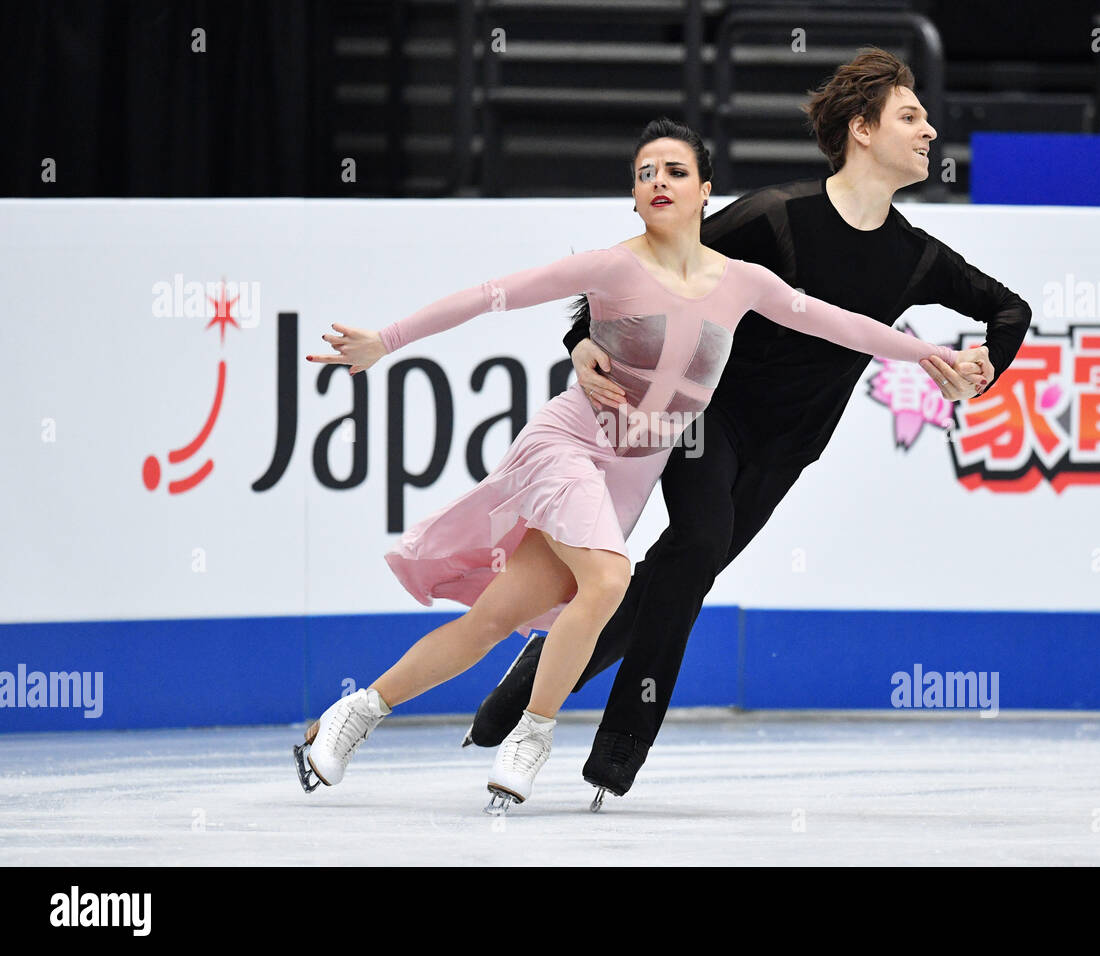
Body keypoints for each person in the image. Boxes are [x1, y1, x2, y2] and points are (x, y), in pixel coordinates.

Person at [293, 115, 992, 813]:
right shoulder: (611, 267)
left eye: (675, 171)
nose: (659, 181)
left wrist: (934, 357)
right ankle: (533, 736)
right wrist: (385, 340)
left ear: (706, 191)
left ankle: (353, 717)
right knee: (609, 578)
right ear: (633, 196)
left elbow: (838, 322)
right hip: (569, 444)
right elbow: (489, 295)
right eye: (645, 173)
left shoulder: (743, 283)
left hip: (625, 481)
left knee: (491, 623)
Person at [465, 48, 1032, 807]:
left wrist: (987, 363)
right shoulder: (775, 216)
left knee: (675, 578)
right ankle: (617, 756)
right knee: (695, 547)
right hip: (708, 420)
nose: (931, 130)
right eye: (911, 116)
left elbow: (1010, 309)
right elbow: (656, 264)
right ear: (861, 130)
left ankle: (532, 679)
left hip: (789, 451)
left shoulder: (917, 258)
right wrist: (581, 338)